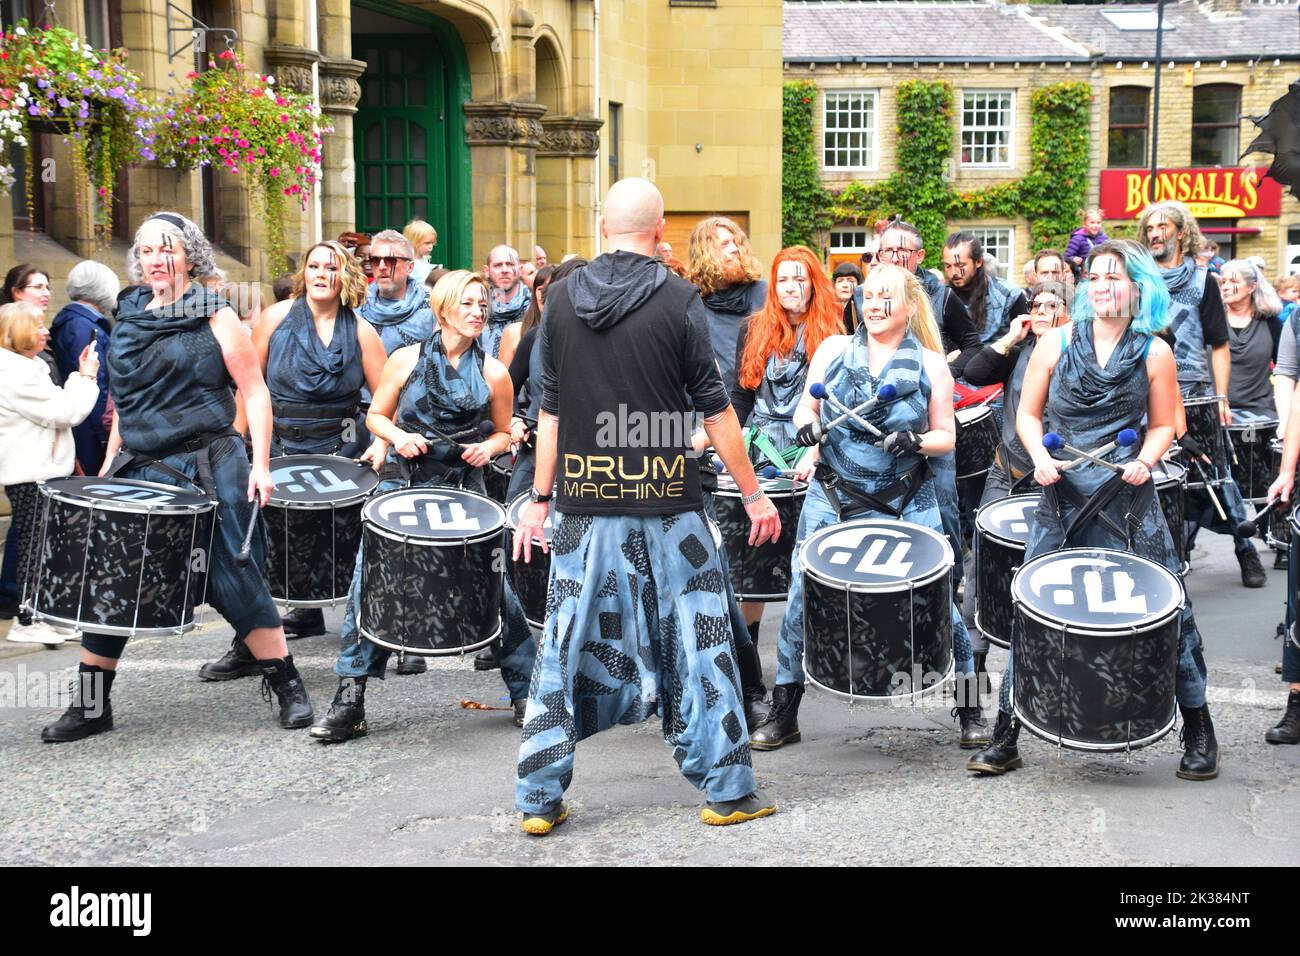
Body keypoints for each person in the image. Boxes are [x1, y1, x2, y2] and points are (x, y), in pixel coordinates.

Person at [511, 177, 781, 834]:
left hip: (581, 498)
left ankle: (539, 800)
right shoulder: (682, 301)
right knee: (702, 640)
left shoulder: (563, 299)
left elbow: (548, 414)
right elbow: (718, 414)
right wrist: (752, 492)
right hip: (669, 501)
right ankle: (726, 791)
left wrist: (539, 499)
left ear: (603, 225)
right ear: (660, 231)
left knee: (565, 643)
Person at [43, 211, 316, 743]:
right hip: (141, 465)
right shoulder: (128, 311)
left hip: (209, 463)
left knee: (232, 575)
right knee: (115, 577)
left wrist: (260, 465)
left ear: (190, 256)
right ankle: (92, 706)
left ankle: (288, 686)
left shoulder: (215, 314)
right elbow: (126, 400)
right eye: (147, 251)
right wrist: (106, 469)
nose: (157, 260)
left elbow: (254, 393)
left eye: (168, 250)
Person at [967, 239, 1219, 781]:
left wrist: (1147, 461)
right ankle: (1005, 735)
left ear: (1138, 288)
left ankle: (1199, 730)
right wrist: (1037, 457)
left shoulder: (1154, 351)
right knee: (1030, 610)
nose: (1104, 285)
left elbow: (1164, 425)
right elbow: (1027, 418)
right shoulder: (1054, 343)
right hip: (1060, 496)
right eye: (1098, 276)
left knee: (1170, 607)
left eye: (1117, 277)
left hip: (1128, 499)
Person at [752, 263, 985, 752]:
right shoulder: (834, 350)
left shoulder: (930, 364)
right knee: (800, 599)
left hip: (905, 500)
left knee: (941, 600)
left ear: (907, 306)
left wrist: (917, 440)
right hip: (833, 497)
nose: (874, 304)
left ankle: (971, 710)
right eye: (868, 295)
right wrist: (805, 429)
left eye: (886, 297)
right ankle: (785, 711)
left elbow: (948, 437)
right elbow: (806, 408)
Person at [309, 270, 536, 740]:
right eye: (469, 304)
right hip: (403, 486)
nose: (478, 312)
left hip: (463, 488)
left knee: (496, 588)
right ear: (444, 308)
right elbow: (375, 416)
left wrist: (490, 449)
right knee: (370, 584)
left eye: (483, 305)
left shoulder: (494, 371)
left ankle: (525, 691)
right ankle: (350, 700)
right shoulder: (406, 360)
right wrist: (399, 436)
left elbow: (501, 430)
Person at [200, 243, 389, 666]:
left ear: (345, 276)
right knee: (263, 549)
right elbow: (251, 388)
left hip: (341, 453)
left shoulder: (361, 331)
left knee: (339, 546)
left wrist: (380, 442)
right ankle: (249, 647)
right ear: (304, 273)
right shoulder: (274, 319)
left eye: (331, 267)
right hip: (279, 448)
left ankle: (371, 638)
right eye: (314, 266)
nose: (322, 273)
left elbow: (384, 400)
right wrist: (235, 443)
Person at [1138, 200, 1265, 587]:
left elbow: (1219, 344)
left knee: (1217, 474)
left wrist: (1221, 397)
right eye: (1150, 228)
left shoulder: (1204, 281)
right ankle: (1165, 557)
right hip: (1148, 391)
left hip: (1197, 392)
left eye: (1163, 226)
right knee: (1156, 475)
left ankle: (1246, 553)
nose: (1155, 234)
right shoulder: (1139, 280)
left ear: (1181, 232)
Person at [729, 245, 842, 654]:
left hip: (810, 450)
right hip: (759, 450)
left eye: (799, 278)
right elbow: (740, 396)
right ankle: (748, 653)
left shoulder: (834, 332)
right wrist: (726, 441)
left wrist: (818, 452)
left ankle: (810, 650)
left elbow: (835, 404)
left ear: (814, 283)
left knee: (810, 552)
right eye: (782, 279)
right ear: (772, 286)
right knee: (754, 553)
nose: (790, 286)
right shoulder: (752, 328)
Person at [958, 280, 1072, 677]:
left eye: (1050, 304)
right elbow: (974, 372)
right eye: (1034, 304)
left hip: (1060, 481)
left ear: (1069, 311)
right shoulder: (1018, 351)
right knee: (980, 574)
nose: (1039, 310)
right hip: (1007, 475)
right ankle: (971, 687)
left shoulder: (1080, 354)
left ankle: (1044, 678)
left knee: (1049, 574)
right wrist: (1010, 337)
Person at [0, 301, 100, 645]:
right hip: (30, 473)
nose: (46, 332)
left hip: (43, 470)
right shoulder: (13, 373)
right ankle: (26, 620)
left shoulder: (28, 368)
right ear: (17, 332)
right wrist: (86, 376)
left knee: (48, 545)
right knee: (33, 545)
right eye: (38, 326)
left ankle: (50, 615)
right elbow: (66, 411)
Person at [0, 264, 55, 620]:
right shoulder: (16, 366)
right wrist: (85, 378)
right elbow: (61, 410)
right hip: (27, 463)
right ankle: (22, 608)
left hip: (37, 460)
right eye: (37, 286)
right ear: (17, 292)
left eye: (48, 285)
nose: (46, 292)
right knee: (30, 536)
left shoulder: (30, 359)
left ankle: (25, 604)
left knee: (32, 534)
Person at [50, 261, 118, 477]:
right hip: (89, 427)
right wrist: (104, 432)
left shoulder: (82, 321)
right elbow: (94, 378)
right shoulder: (82, 326)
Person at [687, 215, 767, 387]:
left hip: (759, 401)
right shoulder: (691, 301)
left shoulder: (763, 293)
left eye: (735, 242)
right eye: (725, 244)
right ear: (705, 253)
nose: (734, 249)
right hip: (714, 402)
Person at [943, 232, 1028, 347]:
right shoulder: (941, 297)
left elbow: (1026, 343)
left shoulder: (1009, 295)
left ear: (978, 262)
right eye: (948, 266)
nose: (953, 272)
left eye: (960, 265)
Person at [482, 244, 531, 358]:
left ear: (519, 269)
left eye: (510, 264)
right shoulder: (476, 310)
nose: (504, 270)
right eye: (498, 265)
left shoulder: (534, 310)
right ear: (487, 271)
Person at [1064, 207, 1108, 279]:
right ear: (1084, 224)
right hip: (1083, 276)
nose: (1096, 225)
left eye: (1098, 222)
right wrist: (1073, 259)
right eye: (1092, 223)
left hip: (1101, 274)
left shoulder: (1104, 238)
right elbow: (1066, 257)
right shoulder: (1077, 238)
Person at [404, 219, 438, 287]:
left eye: (432, 243)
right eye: (427, 243)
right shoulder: (409, 262)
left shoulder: (424, 258)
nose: (431, 246)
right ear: (414, 242)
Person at [832, 261, 864, 331]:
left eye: (851, 281)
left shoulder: (864, 311)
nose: (845, 285)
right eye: (840, 281)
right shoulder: (826, 311)